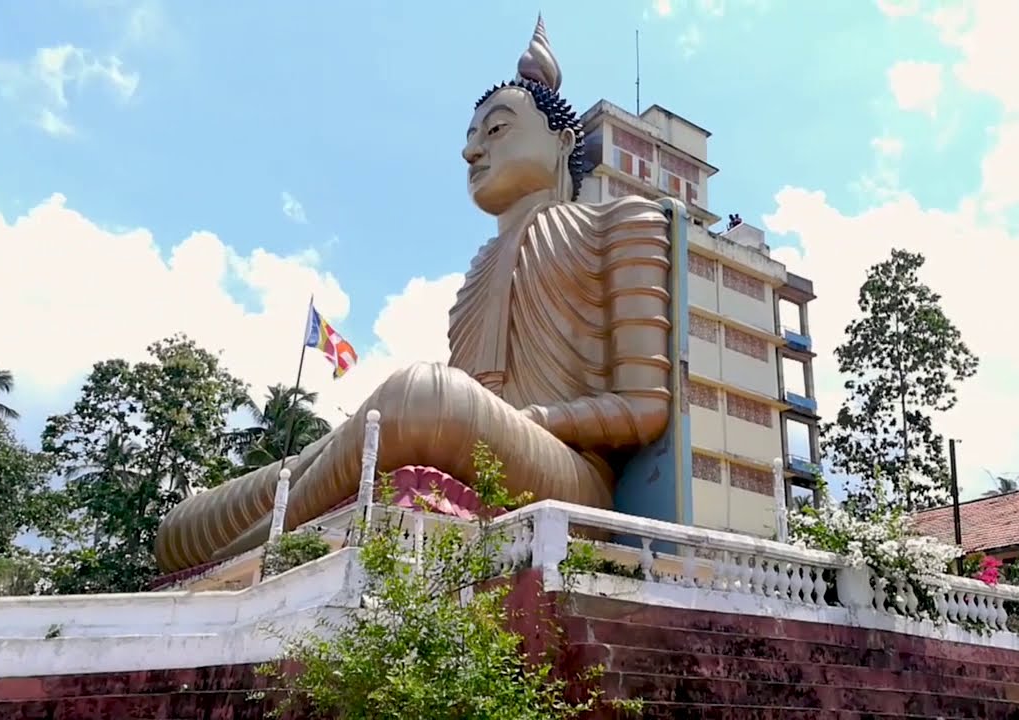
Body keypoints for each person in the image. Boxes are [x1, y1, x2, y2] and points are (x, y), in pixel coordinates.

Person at [153, 16, 674, 573]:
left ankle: (270, 539)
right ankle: (264, 524)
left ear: (561, 141)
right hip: (468, 438)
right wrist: (473, 419)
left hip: (568, 475)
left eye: (495, 131)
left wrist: (522, 420)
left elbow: (645, 409)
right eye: (470, 138)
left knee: (420, 397)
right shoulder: (476, 272)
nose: (472, 152)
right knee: (183, 524)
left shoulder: (623, 223)